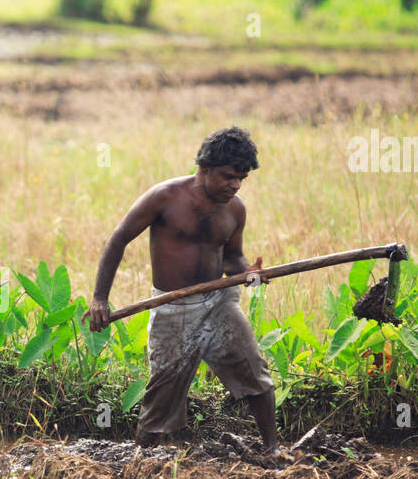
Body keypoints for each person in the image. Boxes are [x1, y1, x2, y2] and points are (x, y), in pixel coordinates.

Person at [85, 126, 280, 452]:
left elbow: (231, 258)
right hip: (173, 308)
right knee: (162, 394)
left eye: (241, 178)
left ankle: (272, 450)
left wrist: (248, 272)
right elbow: (118, 240)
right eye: (228, 176)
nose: (235, 185)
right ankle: (141, 459)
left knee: (255, 375)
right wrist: (100, 298)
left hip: (219, 302)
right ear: (204, 169)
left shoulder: (235, 209)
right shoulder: (164, 197)